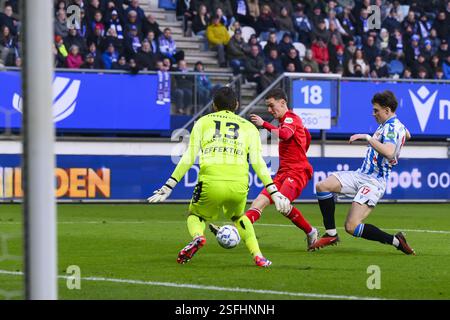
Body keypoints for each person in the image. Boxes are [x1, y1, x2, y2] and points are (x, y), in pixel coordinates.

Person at [148, 87, 291, 268]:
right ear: (237, 105)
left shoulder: (203, 122)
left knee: (196, 214)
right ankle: (259, 257)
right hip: (239, 183)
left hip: (211, 180)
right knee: (239, 217)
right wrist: (274, 191)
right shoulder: (249, 127)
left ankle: (198, 237)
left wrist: (169, 185)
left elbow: (189, 156)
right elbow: (258, 163)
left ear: (214, 106)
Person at [309, 90, 415, 255]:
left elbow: (389, 152)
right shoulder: (392, 125)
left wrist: (367, 137)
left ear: (387, 110)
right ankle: (331, 234)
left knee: (351, 227)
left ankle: (396, 241)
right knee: (323, 186)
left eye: (376, 110)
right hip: (361, 174)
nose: (373, 114)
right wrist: (403, 134)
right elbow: (408, 134)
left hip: (374, 181)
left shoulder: (392, 128)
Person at [211, 89, 318, 249]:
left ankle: (311, 232)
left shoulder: (291, 118)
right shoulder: (291, 121)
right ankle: (235, 231)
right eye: (267, 106)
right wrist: (300, 152)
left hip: (296, 172)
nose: (269, 110)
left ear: (283, 103)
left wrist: (264, 124)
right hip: (283, 172)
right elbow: (307, 137)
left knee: (283, 205)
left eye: (271, 105)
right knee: (258, 202)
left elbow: (285, 135)